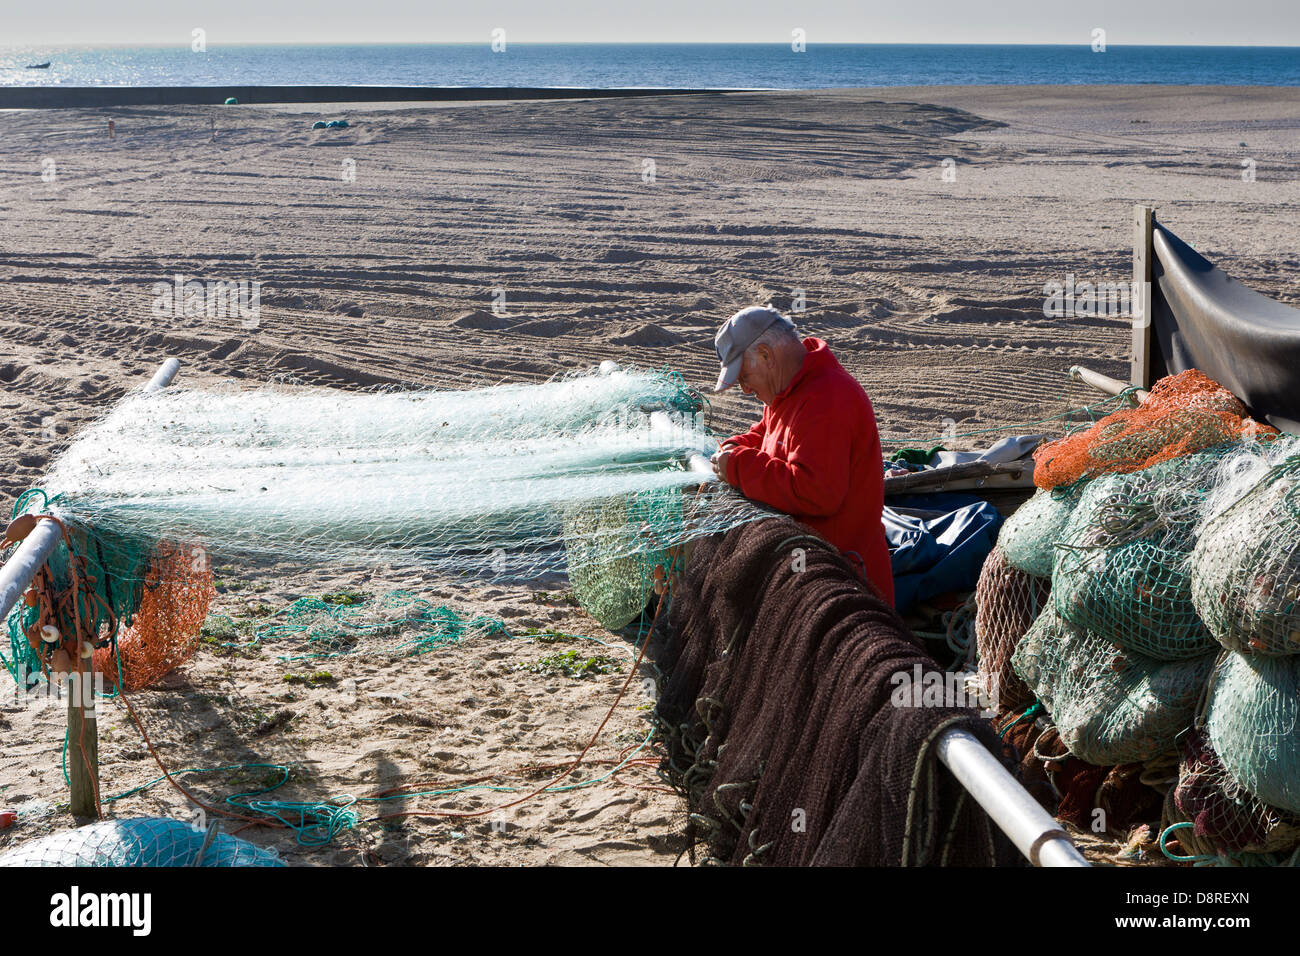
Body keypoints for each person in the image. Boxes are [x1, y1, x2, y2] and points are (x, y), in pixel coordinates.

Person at [709, 305, 894, 606]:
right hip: (809, 572)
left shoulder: (828, 398)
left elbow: (816, 492)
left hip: (842, 587)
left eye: (743, 376)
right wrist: (731, 447)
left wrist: (739, 466)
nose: (744, 389)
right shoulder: (788, 389)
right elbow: (763, 433)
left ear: (767, 356)